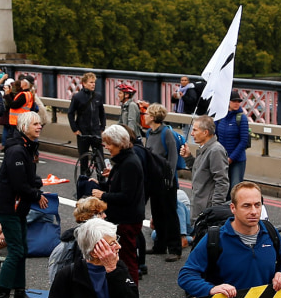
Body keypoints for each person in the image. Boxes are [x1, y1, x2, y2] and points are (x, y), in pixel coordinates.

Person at [0, 110, 47, 298]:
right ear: (24, 128)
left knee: (22, 249)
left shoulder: (27, 147)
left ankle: (20, 293)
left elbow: (26, 177)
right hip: (10, 207)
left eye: (40, 124)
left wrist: (36, 183)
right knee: (15, 251)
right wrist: (36, 194)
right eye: (35, 124)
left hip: (18, 207)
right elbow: (18, 183)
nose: (39, 127)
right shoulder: (17, 150)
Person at [42, 217, 139, 298]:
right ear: (94, 252)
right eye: (112, 243)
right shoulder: (67, 274)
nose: (119, 246)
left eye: (117, 240)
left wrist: (113, 271)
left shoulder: (118, 267)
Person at [91, 124, 146, 282]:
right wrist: (102, 185)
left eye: (109, 143)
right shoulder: (124, 160)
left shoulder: (129, 163)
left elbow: (127, 196)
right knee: (121, 258)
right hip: (125, 217)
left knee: (127, 260)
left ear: (119, 143)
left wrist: (103, 195)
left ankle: (130, 289)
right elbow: (120, 186)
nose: (106, 147)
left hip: (127, 219)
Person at [143, 103, 183, 261]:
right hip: (154, 180)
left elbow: (173, 157)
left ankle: (175, 249)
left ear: (153, 117)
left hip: (167, 181)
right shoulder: (149, 133)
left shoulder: (167, 133)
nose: (145, 116)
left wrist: (169, 178)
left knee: (170, 214)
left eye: (147, 113)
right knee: (157, 213)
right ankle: (159, 246)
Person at [47, 196, 108, 285]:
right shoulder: (84, 241)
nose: (105, 216)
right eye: (101, 213)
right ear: (92, 216)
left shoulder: (78, 237)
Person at [181, 115, 230, 220]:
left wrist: (215, 209)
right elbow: (199, 172)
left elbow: (222, 181)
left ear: (205, 132)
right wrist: (188, 157)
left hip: (207, 211)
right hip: (198, 208)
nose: (191, 133)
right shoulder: (204, 148)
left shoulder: (215, 150)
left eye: (195, 130)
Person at [68, 72, 106, 162]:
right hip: (83, 132)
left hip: (96, 132)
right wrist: (75, 129)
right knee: (83, 159)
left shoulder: (98, 96)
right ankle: (85, 171)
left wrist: (102, 127)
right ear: (84, 84)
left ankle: (100, 171)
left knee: (100, 158)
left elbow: (102, 113)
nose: (93, 84)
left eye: (94, 82)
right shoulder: (77, 97)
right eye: (91, 82)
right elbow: (70, 113)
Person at [216, 90, 251, 187]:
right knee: (223, 187)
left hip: (237, 160)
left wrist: (231, 158)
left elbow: (243, 141)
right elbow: (215, 137)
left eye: (238, 101)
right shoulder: (220, 117)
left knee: (235, 187)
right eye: (233, 101)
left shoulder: (241, 118)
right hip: (222, 158)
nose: (236, 103)